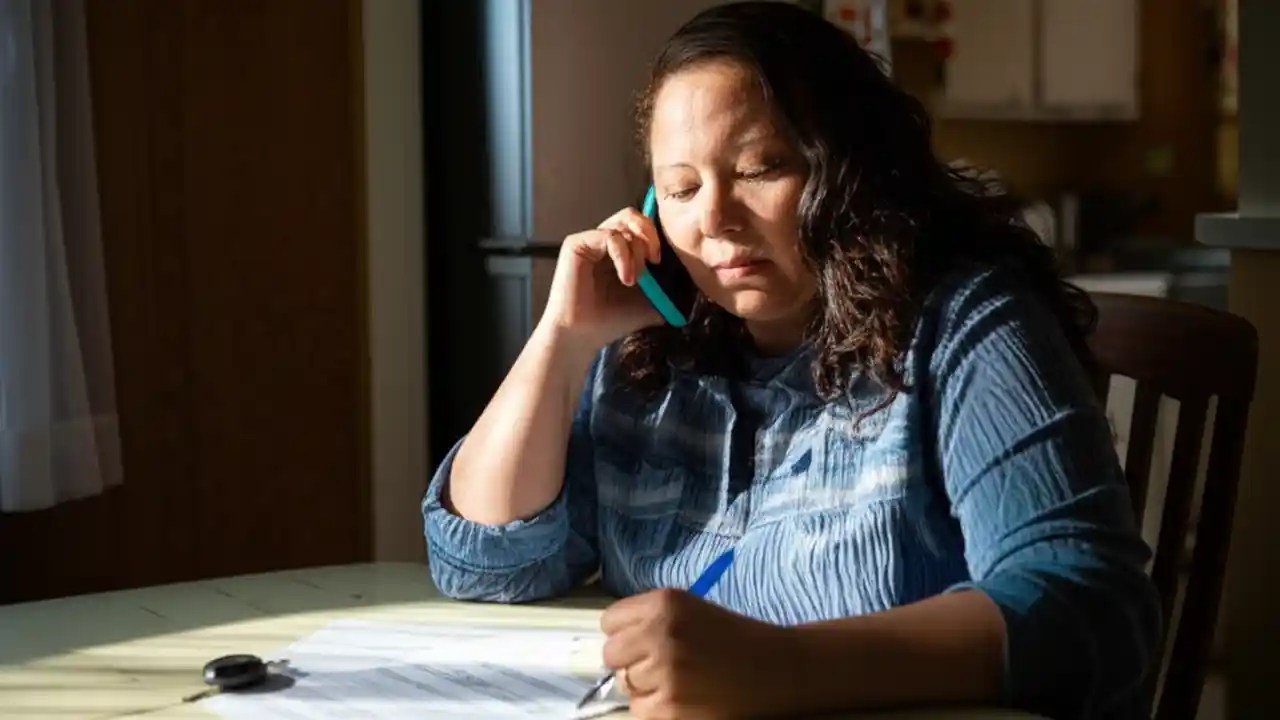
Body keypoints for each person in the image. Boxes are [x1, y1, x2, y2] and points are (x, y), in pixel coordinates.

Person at [422, 3, 1160, 718]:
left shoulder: (965, 325)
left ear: (851, 171)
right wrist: (562, 339)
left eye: (760, 169)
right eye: (682, 188)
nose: (713, 219)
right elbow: (486, 563)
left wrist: (779, 668)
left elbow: (1089, 613)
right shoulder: (650, 361)